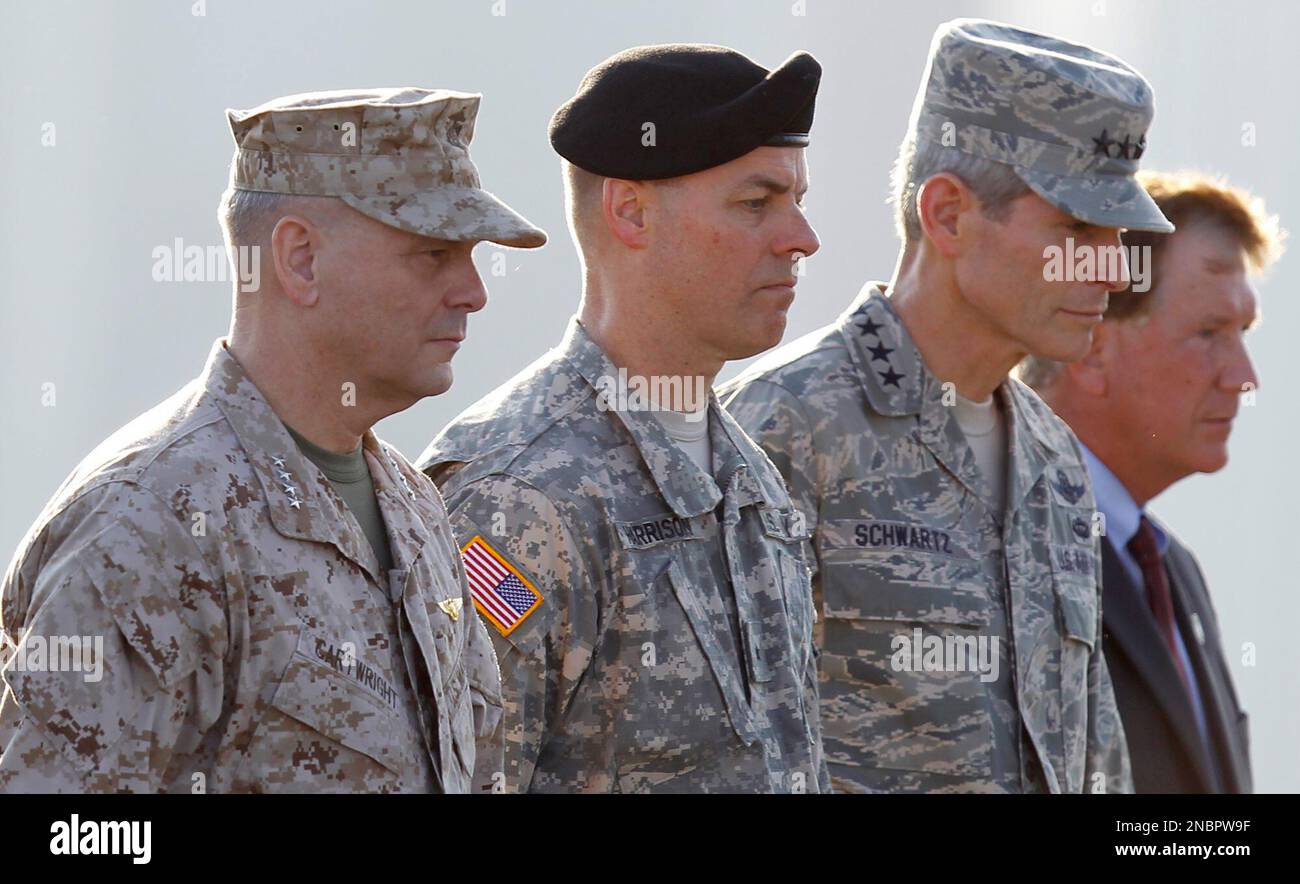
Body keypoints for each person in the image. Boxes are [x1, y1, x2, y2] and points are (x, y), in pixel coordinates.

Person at [0, 87, 546, 792]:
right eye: (434, 254)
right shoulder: (146, 526)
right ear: (300, 259)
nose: (473, 291)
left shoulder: (413, 508)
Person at [721, 19, 1163, 793]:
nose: (1114, 272)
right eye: (1076, 228)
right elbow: (713, 756)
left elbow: (1095, 762)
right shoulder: (778, 430)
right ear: (949, 214)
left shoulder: (1053, 458)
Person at [418, 44, 828, 793]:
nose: (801, 238)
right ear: (631, 211)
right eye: (756, 203)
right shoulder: (517, 500)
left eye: (800, 200)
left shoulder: (750, 477)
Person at [1021, 170, 1283, 793]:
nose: (1244, 377)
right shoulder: (1004, 546)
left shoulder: (1170, 569)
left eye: (1242, 335)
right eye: (1208, 333)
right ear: (1090, 348)